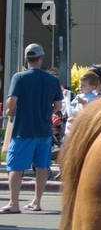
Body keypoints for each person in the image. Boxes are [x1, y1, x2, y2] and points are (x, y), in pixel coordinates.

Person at [4, 44, 63, 214]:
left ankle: (14, 203)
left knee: (16, 167)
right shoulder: (53, 80)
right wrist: (46, 112)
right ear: (41, 59)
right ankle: (37, 202)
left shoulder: (19, 77)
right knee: (42, 167)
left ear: (26, 59)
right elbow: (58, 105)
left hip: (23, 130)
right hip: (44, 130)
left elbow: (12, 101)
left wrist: (11, 110)